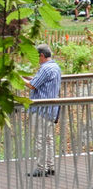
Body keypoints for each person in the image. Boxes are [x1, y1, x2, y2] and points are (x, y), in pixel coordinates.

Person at [22, 43, 62, 177]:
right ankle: (50, 166)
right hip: (52, 109)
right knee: (49, 139)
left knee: (40, 138)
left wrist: (18, 78)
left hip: (41, 110)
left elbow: (32, 86)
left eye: (37, 56)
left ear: (42, 55)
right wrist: (26, 76)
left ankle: (41, 168)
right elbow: (39, 81)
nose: (36, 59)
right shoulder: (55, 67)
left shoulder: (45, 69)